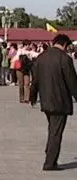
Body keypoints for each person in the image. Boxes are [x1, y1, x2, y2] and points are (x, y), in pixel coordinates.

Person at [30, 34, 77, 171]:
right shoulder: (65, 59)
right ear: (64, 45)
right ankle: (50, 163)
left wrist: (32, 97)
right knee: (56, 132)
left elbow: (35, 80)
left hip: (46, 100)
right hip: (60, 102)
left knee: (53, 129)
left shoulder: (41, 57)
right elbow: (72, 82)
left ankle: (49, 152)